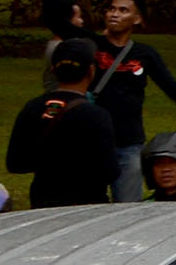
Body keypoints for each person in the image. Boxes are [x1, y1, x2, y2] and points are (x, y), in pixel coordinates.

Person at [76, 0, 176, 201]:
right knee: (87, 204)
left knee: (128, 204)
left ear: (137, 19)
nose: (114, 14)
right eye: (112, 9)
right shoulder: (91, 45)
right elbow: (59, 25)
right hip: (93, 139)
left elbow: (169, 83)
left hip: (128, 141)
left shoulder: (144, 53)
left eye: (123, 10)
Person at [10, 39, 118, 207]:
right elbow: (110, 172)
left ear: (53, 69)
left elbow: (16, 163)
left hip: (43, 203)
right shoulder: (96, 115)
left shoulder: (32, 108)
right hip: (87, 203)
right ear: (91, 70)